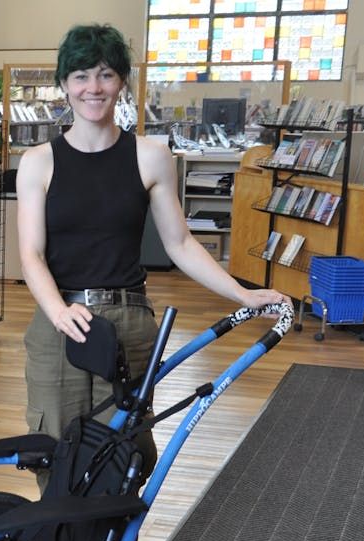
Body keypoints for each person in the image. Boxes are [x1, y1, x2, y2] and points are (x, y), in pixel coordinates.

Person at [15, 23, 288, 485]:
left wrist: (243, 295)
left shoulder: (150, 157)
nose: (93, 88)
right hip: (57, 321)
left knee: (124, 453)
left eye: (104, 75)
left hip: (129, 323)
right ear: (65, 84)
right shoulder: (39, 161)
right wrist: (60, 311)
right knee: (56, 449)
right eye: (81, 76)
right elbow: (31, 254)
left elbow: (179, 244)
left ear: (121, 82)